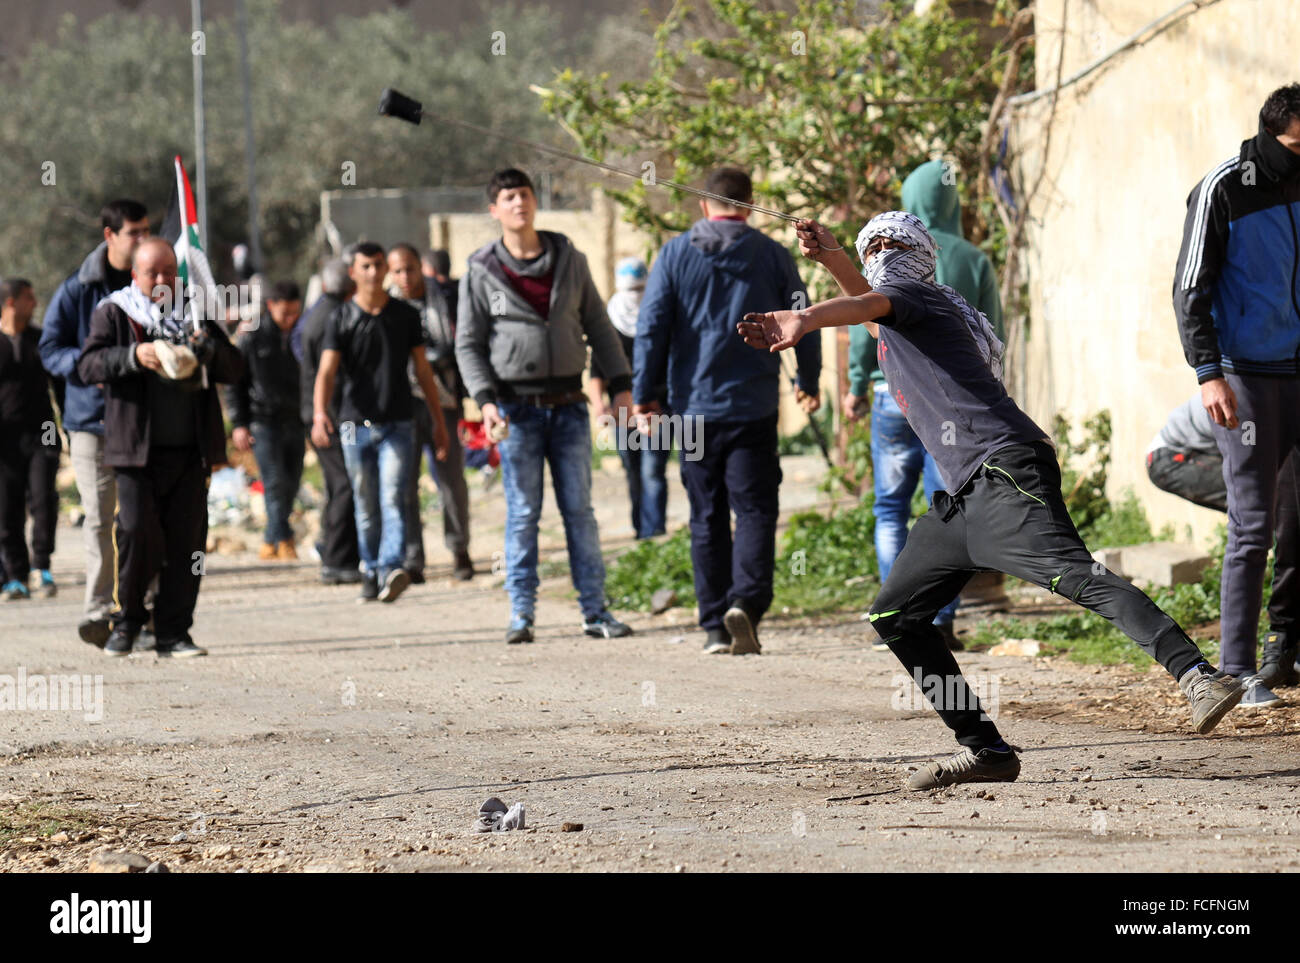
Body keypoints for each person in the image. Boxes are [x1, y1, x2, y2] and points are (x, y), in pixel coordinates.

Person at [737, 210, 1244, 789]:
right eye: (870, 244)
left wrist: (803, 317)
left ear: (919, 253)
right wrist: (832, 258)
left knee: (1073, 576)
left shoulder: (915, 295)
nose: (880, 251)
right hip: (961, 497)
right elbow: (872, 312)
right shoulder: (913, 311)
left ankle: (1198, 675)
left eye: (889, 241)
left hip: (1006, 470)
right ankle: (987, 751)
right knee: (895, 616)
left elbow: (871, 305)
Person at [635, 169, 821, 655]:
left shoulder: (674, 254)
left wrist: (644, 395)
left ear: (703, 204)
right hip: (753, 407)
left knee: (705, 515)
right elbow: (806, 315)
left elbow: (652, 327)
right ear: (750, 203)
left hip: (692, 409)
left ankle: (716, 625)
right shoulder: (773, 255)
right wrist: (808, 378)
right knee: (755, 509)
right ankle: (748, 604)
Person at [455, 168, 635, 644]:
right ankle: (522, 615)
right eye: (509, 197)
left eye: (526, 195)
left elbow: (598, 325)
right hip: (514, 412)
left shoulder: (568, 258)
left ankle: (596, 612)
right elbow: (468, 345)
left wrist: (621, 386)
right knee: (523, 514)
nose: (520, 203)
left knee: (580, 511)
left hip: (570, 406)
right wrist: (486, 404)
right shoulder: (480, 270)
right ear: (494, 209)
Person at [846, 160, 1008, 652]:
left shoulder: (884, 251)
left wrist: (857, 383)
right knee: (948, 507)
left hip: (889, 394)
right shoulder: (969, 258)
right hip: (950, 407)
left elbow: (865, 325)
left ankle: (896, 616)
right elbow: (990, 330)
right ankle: (939, 619)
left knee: (890, 507)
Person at [1173, 82, 1300, 707]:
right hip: (1244, 377)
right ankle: (1235, 669)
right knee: (1253, 525)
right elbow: (1189, 289)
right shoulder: (1224, 186)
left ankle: (1286, 647)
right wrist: (1208, 373)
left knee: (1296, 519)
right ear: (1276, 136)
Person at [77, 238, 244, 657]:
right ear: (136, 274)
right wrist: (135, 355)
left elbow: (236, 368)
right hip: (135, 453)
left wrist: (210, 350)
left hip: (190, 452)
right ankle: (127, 622)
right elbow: (89, 364)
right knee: (135, 533)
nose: (163, 280)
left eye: (170, 271)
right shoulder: (115, 311)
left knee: (187, 544)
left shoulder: (196, 312)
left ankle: (173, 632)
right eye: (153, 272)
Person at [311, 243, 449, 604]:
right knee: (365, 502)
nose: (373, 272)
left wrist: (438, 421)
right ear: (353, 272)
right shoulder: (340, 318)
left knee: (393, 497)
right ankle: (370, 571)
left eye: (378, 266)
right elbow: (326, 371)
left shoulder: (404, 315)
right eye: (366, 266)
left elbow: (422, 369)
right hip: (353, 425)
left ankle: (390, 567)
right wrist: (320, 413)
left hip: (398, 423)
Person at [39, 198, 149, 643]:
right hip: (91, 422)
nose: (142, 240)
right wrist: (90, 367)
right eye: (133, 233)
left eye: (147, 231)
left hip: (143, 420)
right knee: (101, 519)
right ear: (110, 236)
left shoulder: (156, 283)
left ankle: (145, 609)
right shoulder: (77, 289)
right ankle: (100, 610)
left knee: (142, 520)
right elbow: (50, 350)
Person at [1145, 396, 1300, 692]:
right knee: (1269, 505)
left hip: (1208, 448)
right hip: (1173, 456)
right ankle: (1246, 666)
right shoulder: (1253, 402)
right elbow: (1251, 453)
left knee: (1279, 506)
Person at [387, 243, 473, 581]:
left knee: (451, 478)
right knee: (406, 484)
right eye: (398, 271)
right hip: (402, 406)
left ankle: (459, 549)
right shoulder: (387, 307)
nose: (405, 277)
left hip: (446, 400)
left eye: (410, 268)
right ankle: (413, 559)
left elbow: (466, 341)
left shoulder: (448, 299)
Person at [588, 257, 669, 540]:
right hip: (623, 413)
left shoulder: (661, 317)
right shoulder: (608, 322)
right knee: (633, 471)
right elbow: (597, 370)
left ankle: (655, 532)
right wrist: (600, 405)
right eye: (630, 289)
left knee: (653, 469)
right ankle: (641, 530)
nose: (635, 296)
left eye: (640, 289)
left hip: (656, 408)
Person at [229, 280, 305, 561]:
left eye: (295, 313)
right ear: (271, 306)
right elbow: (235, 383)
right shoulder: (251, 336)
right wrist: (239, 423)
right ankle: (285, 538)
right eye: (285, 313)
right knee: (274, 482)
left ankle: (270, 539)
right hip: (263, 421)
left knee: (292, 482)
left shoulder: (301, 333)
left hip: (295, 420)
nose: (290, 319)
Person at [296, 260, 360, 584]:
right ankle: (336, 559)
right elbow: (327, 373)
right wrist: (323, 415)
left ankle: (338, 556)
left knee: (339, 485)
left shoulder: (318, 314)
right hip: (328, 415)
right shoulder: (333, 318)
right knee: (344, 485)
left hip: (320, 413)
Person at [0, 279, 56, 601]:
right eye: (28, 298)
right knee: (7, 508)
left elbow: (58, 386)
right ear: (10, 303)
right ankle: (15, 576)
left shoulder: (41, 339)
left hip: (43, 430)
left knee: (43, 499)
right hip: (4, 441)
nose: (34, 304)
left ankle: (42, 568)